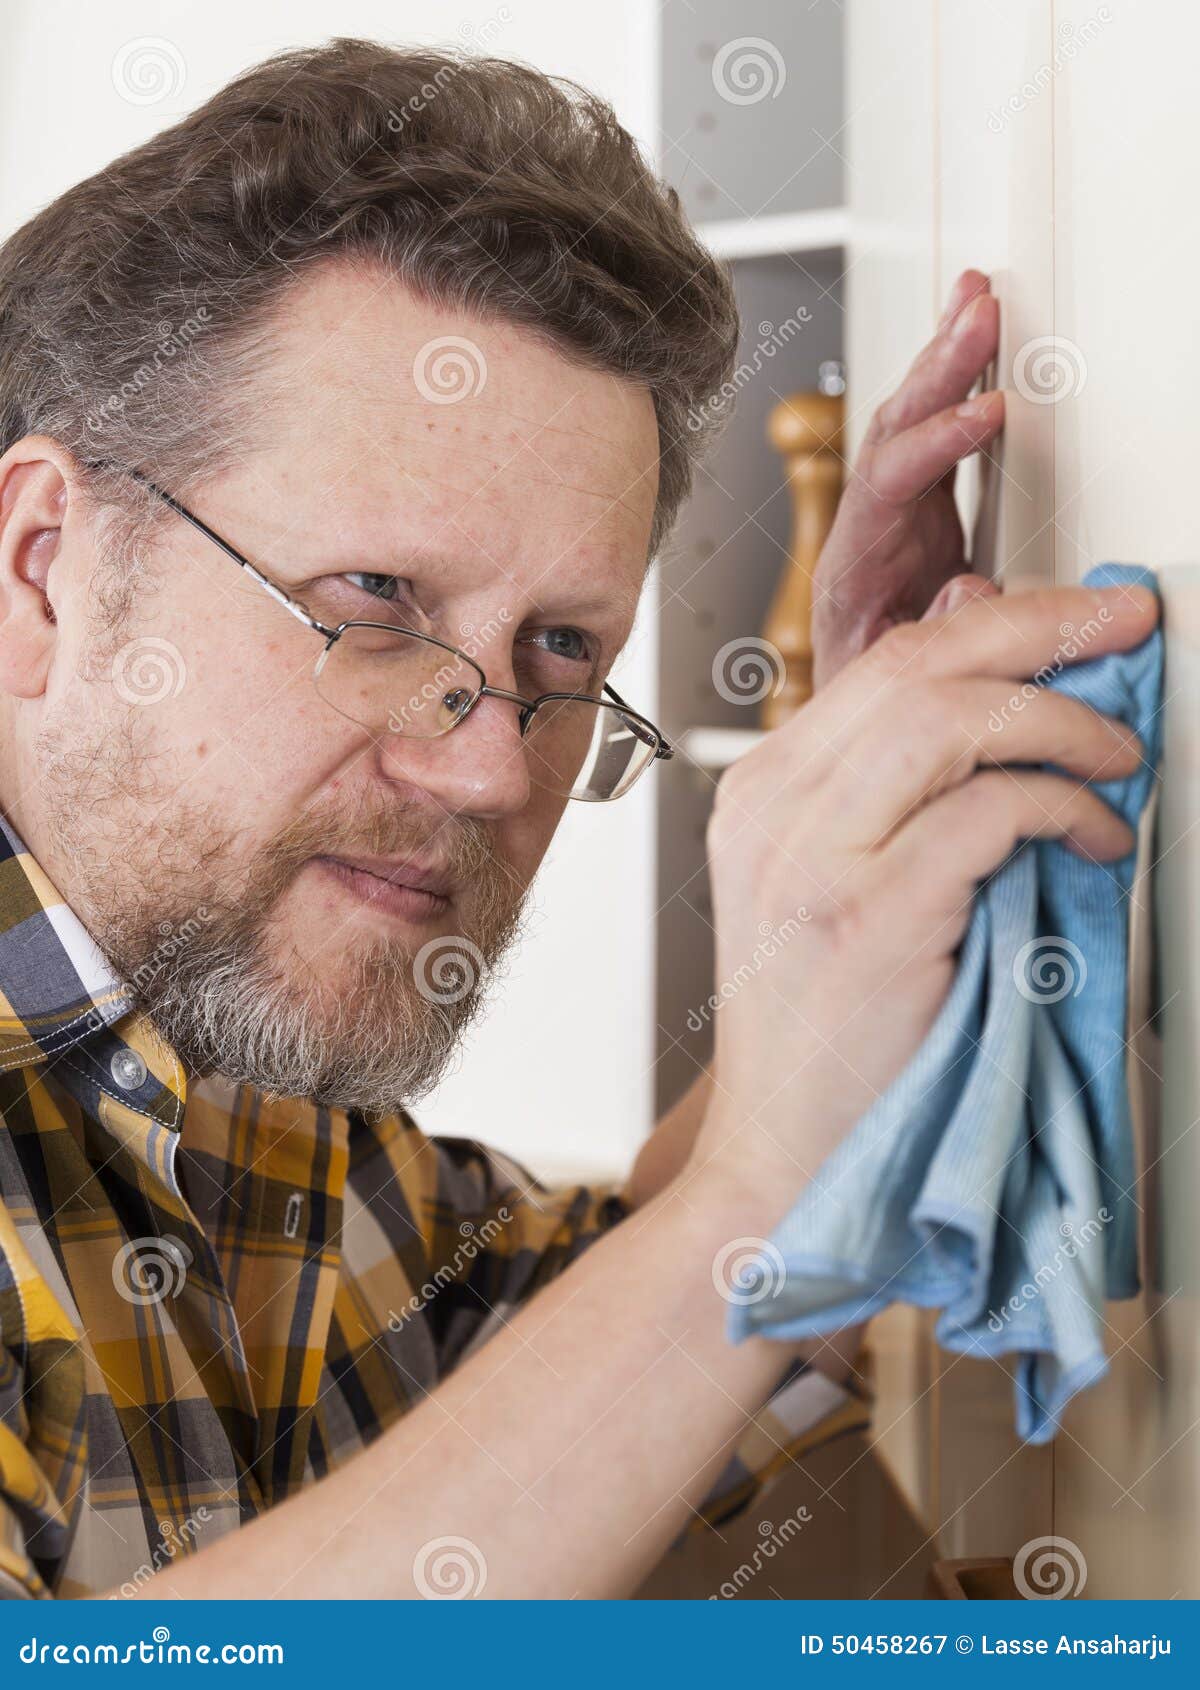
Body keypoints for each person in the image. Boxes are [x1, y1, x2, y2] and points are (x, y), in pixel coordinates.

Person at [0, 39, 1154, 1600]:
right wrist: (746, 1193)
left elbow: (572, 1346)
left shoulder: (258, 1079)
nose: (488, 773)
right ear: (44, 567)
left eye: (559, 651)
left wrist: (867, 818)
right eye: (378, 602)